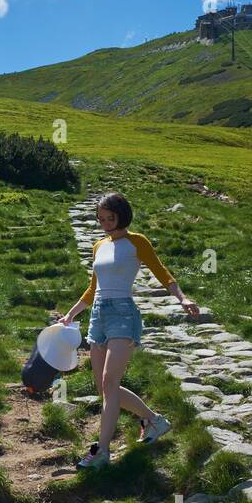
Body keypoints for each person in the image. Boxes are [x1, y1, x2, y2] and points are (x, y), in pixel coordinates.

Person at [57, 193, 199, 469]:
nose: (105, 224)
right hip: (98, 316)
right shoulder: (99, 246)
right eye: (101, 219)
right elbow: (93, 287)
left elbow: (161, 272)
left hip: (123, 314)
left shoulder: (137, 242)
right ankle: (154, 421)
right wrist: (71, 314)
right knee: (104, 388)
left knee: (110, 381)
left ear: (122, 215)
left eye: (110, 218)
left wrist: (182, 298)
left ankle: (101, 451)